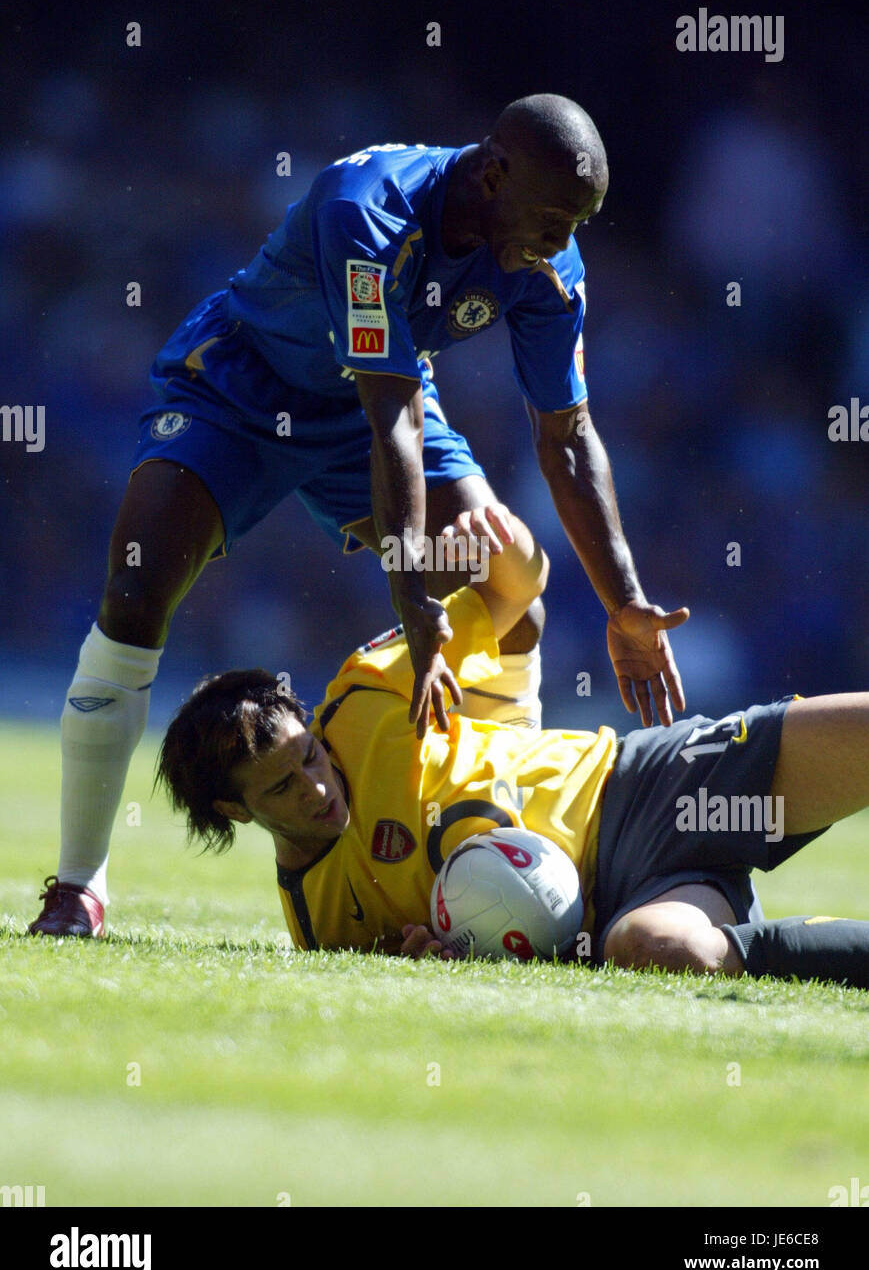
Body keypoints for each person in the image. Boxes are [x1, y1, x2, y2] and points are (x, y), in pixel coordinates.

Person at [29, 93, 688, 939]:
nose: (563, 242)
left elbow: (567, 437)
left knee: (505, 579)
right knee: (135, 589)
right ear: (493, 173)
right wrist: (409, 595)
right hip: (240, 389)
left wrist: (624, 603)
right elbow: (393, 419)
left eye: (581, 222)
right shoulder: (366, 208)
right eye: (554, 217)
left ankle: (480, 823)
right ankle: (79, 884)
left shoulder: (548, 264)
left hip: (378, 412)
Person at [153, 506, 869, 988]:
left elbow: (520, 594)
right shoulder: (320, 923)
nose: (314, 785)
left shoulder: (368, 697)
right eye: (279, 788)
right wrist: (433, 958)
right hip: (617, 907)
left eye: (307, 756)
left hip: (641, 784)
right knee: (659, 952)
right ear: (234, 810)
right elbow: (436, 961)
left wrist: (501, 542)